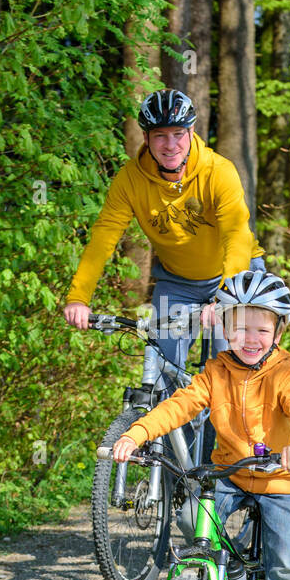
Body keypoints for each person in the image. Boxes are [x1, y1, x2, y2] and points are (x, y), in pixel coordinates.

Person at [112, 270, 290, 580]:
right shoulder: (215, 371)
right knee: (191, 519)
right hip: (229, 473)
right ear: (224, 326)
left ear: (278, 331)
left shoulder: (284, 371)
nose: (250, 337)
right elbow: (180, 405)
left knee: (282, 565)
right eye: (239, 325)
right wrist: (137, 434)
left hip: (278, 479)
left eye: (261, 328)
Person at [62, 89, 265, 375]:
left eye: (178, 134)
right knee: (162, 371)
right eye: (159, 135)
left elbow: (237, 236)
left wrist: (225, 296)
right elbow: (104, 236)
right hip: (179, 282)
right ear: (146, 138)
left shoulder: (219, 171)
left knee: (232, 368)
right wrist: (78, 297)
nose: (170, 145)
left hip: (233, 276)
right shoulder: (130, 179)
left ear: (191, 131)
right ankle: (172, 417)